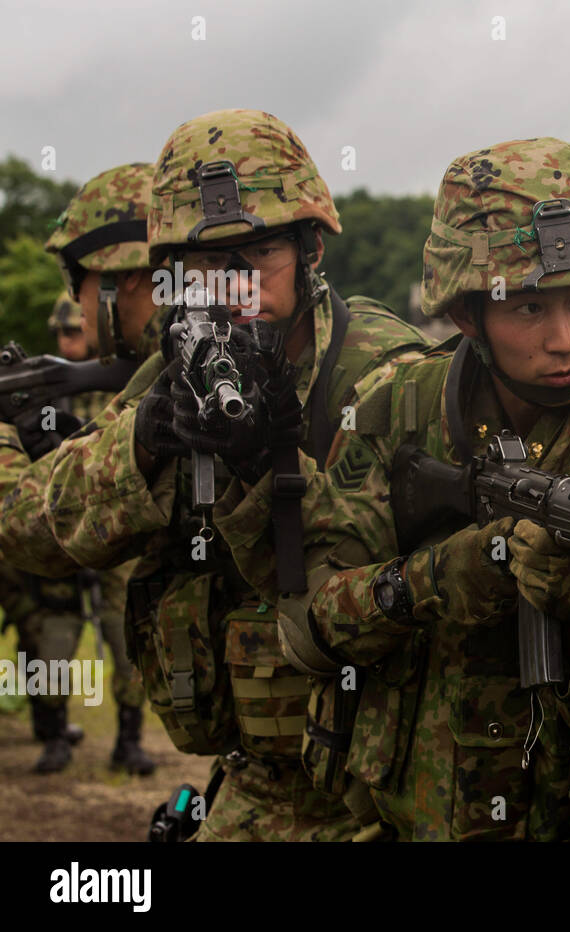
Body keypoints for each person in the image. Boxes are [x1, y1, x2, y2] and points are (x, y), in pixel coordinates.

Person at [217, 136, 570, 840]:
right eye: (529, 310)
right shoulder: (398, 409)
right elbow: (311, 628)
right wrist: (454, 572)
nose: (567, 338)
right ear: (465, 315)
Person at [41, 110, 428, 840]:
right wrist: (143, 445)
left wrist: (266, 465)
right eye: (206, 262)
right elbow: (45, 527)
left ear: (311, 248)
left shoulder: (383, 373)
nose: (232, 284)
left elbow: (372, 571)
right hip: (256, 780)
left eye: (256, 254)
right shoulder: (173, 369)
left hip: (380, 790)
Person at [0, 167, 165, 774]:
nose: (77, 306)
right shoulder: (207, 358)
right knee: (57, 640)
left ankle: (126, 737)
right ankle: (54, 730)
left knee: (122, 645)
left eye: (80, 282)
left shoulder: (169, 377)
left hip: (97, 537)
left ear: (122, 277)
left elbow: (27, 527)